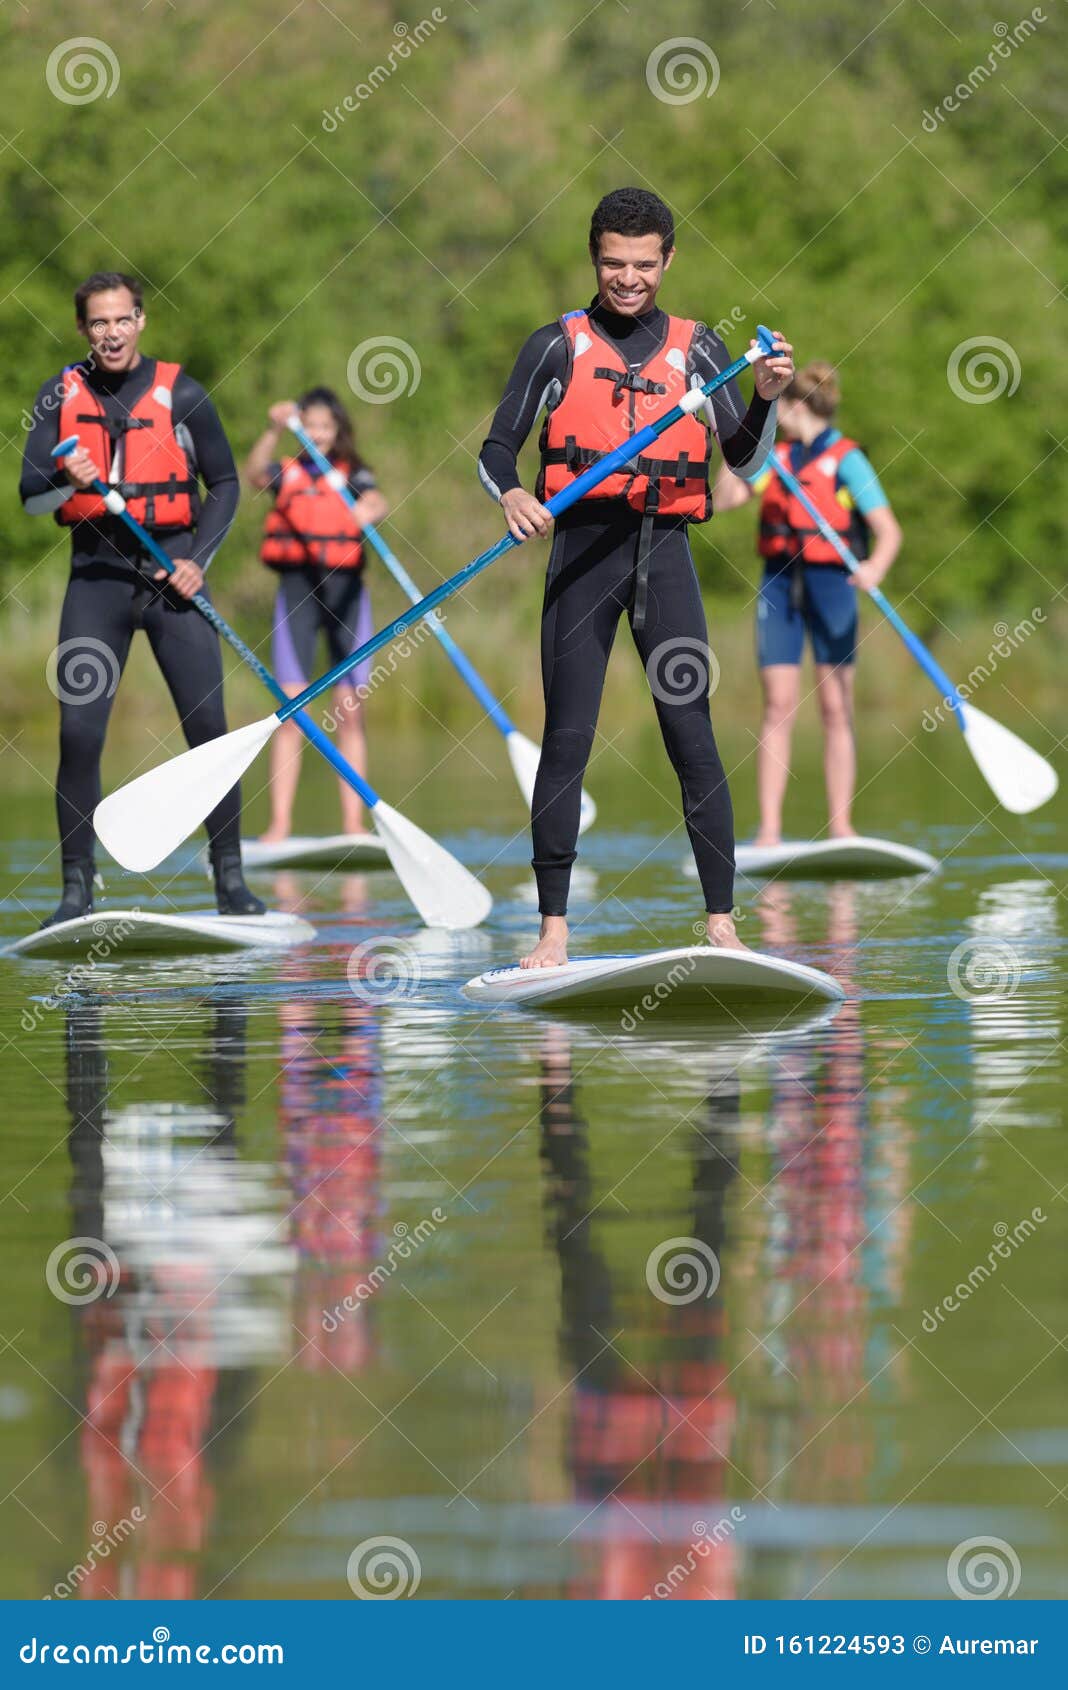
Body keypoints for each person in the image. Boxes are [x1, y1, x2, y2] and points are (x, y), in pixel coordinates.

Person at [479, 186, 793, 968]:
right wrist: (515, 493)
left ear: (668, 259)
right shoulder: (555, 345)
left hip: (666, 555)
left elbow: (745, 456)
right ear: (595, 258)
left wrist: (767, 400)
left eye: (644, 265)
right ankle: (552, 929)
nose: (629, 279)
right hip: (582, 555)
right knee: (568, 738)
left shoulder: (701, 348)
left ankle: (721, 922)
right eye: (615, 264)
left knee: (693, 734)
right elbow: (495, 451)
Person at [19, 271, 263, 926]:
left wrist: (196, 561)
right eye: (98, 323)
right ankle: (76, 891)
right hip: (96, 581)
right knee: (77, 733)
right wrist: (60, 472)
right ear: (82, 330)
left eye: (122, 319)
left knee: (208, 735)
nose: (111, 333)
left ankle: (231, 883)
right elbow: (30, 496)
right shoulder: (58, 397)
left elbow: (227, 484)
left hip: (171, 583)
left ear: (141, 320)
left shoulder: (181, 393)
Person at [713, 360, 902, 845]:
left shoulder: (846, 460)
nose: (773, 409)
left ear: (797, 405)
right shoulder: (772, 456)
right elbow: (724, 500)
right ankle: (770, 831)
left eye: (779, 403)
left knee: (836, 706)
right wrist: (731, 444)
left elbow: (887, 532)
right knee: (778, 705)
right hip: (779, 584)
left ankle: (841, 827)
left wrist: (874, 567)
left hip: (833, 586)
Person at [245, 388, 387, 841]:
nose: (319, 435)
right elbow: (252, 475)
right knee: (292, 712)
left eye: (326, 427)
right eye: (311, 427)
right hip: (298, 591)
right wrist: (271, 428)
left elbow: (377, 500)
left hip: (345, 594)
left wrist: (370, 510)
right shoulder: (286, 471)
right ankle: (280, 824)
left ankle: (352, 823)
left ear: (337, 431)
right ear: (300, 430)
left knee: (348, 710)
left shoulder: (353, 473)